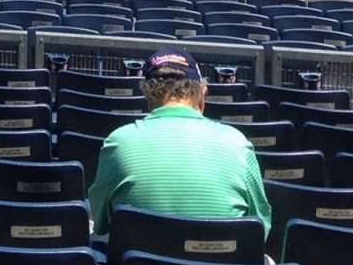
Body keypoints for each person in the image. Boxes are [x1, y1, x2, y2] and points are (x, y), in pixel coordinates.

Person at [87, 48, 272, 239]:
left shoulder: (118, 142)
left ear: (147, 94)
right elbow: (260, 229)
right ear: (202, 93)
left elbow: (101, 223)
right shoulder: (238, 144)